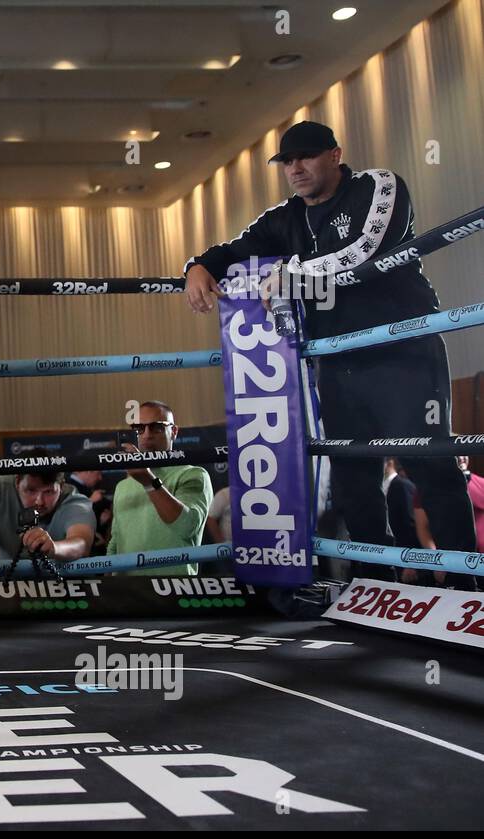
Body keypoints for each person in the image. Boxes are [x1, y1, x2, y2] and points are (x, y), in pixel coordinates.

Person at [184, 120, 475, 585]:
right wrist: (198, 266)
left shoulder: (378, 186)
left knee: (430, 465)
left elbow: (368, 250)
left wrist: (292, 274)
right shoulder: (284, 218)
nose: (295, 169)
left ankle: (467, 588)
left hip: (402, 351)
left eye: (306, 157)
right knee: (353, 478)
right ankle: (377, 586)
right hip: (339, 364)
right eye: (286, 162)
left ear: (335, 155)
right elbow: (235, 248)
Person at [0, 453, 96, 592]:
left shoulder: (75, 502)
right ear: (17, 482)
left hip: (67, 591)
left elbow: (81, 544)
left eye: (49, 492)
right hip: (12, 591)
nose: (39, 501)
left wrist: (54, 548)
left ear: (61, 486)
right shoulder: (1, 488)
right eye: (31, 490)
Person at [107, 401, 212, 576]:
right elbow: (116, 541)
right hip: (127, 590)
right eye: (139, 428)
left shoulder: (193, 475)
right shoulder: (123, 485)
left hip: (176, 587)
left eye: (156, 427)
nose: (147, 435)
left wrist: (149, 482)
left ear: (174, 432)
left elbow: (187, 527)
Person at [462, 455, 484, 553]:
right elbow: (423, 526)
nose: (461, 458)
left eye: (463, 454)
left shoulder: (481, 483)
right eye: (456, 454)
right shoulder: (434, 488)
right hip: (450, 559)